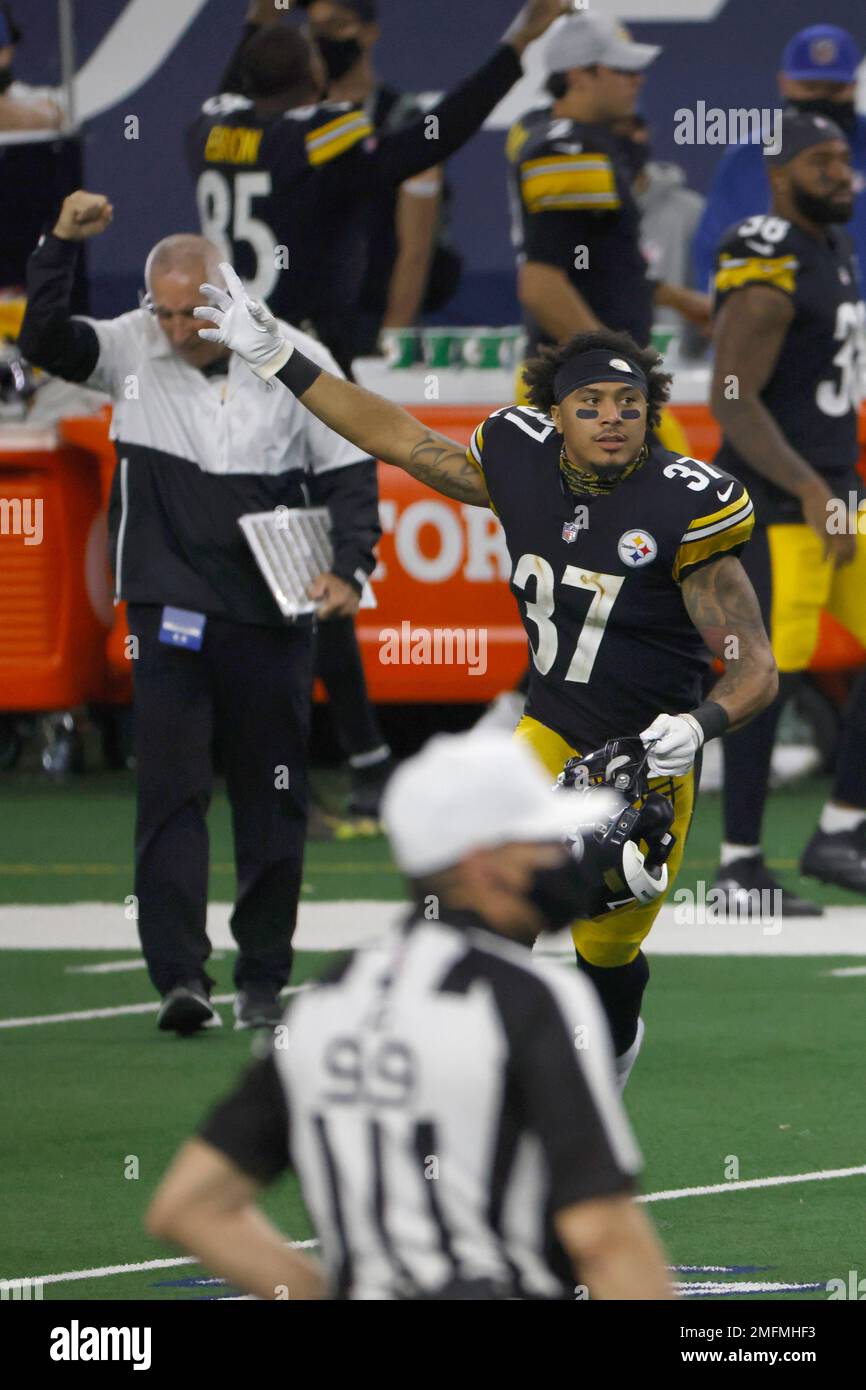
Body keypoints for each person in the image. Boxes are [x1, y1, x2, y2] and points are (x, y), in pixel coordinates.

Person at [192, 265, 780, 1087]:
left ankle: (603, 1080)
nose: (612, 421)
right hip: (545, 732)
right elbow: (401, 438)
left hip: (648, 753)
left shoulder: (686, 503)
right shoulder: (517, 454)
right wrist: (277, 360)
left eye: (629, 406)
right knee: (488, 912)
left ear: (650, 413)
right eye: (590, 406)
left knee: (606, 954)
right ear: (555, 417)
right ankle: (479, 1091)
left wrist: (695, 728)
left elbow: (754, 665)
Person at [18, 192, 380, 1034]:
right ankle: (180, 977)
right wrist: (58, 247)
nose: (179, 329)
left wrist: (349, 567)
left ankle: (263, 975)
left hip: (269, 615)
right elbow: (42, 341)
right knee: (171, 794)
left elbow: (353, 464)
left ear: (230, 297)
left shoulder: (295, 355)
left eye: (195, 312)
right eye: (166, 311)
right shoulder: (131, 348)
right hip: (167, 609)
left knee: (272, 797)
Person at [146, 730, 674, 1301]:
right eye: (542, 839)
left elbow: (190, 1207)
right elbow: (604, 1236)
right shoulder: (529, 998)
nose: (564, 854)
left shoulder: (327, 999)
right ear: (481, 863)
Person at [186, 0, 568, 375]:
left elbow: (239, 81)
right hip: (303, 355)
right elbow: (431, 139)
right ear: (314, 76)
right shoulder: (319, 149)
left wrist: (257, 21)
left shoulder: (211, 130)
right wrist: (517, 43)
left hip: (233, 349)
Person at [709, 112, 866, 912]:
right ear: (780, 172)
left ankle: (840, 828)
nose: (842, 172)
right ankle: (738, 867)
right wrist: (809, 488)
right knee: (764, 678)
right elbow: (730, 398)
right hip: (777, 500)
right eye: (822, 161)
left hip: (835, 490)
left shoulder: (832, 245)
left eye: (845, 158)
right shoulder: (768, 249)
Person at [506, 8, 710, 431]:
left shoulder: (584, 144)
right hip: (582, 389)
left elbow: (602, 267)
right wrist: (615, 374)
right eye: (623, 70)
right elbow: (542, 285)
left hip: (586, 385)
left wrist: (679, 301)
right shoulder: (570, 151)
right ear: (580, 75)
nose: (638, 80)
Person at [299, 0, 460, 357]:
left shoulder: (403, 120)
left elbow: (416, 249)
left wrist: (394, 342)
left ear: (369, 32)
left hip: (373, 319)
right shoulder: (297, 120)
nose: (325, 39)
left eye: (338, 25)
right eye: (316, 30)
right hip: (303, 322)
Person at [694, 24, 866, 295]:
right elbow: (714, 249)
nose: (822, 98)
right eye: (810, 87)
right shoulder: (748, 156)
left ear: (854, 86)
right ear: (784, 83)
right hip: (784, 324)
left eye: (835, 89)